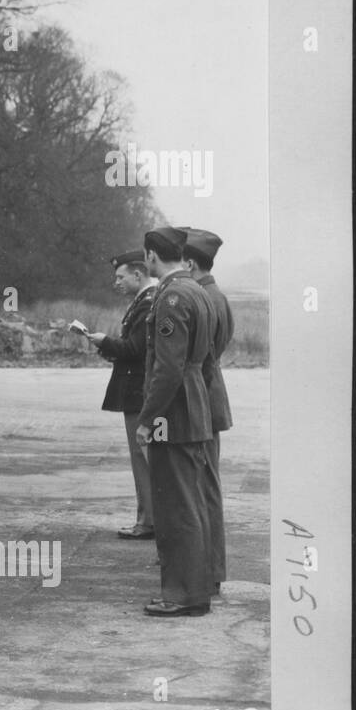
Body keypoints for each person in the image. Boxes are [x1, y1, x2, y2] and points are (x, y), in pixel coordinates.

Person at [136, 227, 218, 617]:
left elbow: (167, 369)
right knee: (191, 503)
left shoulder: (171, 297)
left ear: (152, 255)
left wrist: (147, 418)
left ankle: (183, 595)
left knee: (175, 506)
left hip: (175, 412)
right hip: (194, 405)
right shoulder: (198, 291)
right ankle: (194, 590)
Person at [87, 251, 158, 540]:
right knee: (142, 458)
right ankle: (147, 519)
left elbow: (135, 349)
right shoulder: (142, 302)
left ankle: (148, 522)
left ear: (138, 275)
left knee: (142, 459)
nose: (116, 282)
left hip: (137, 392)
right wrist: (108, 347)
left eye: (120, 276)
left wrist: (106, 342)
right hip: (135, 389)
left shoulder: (147, 302)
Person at [183, 227, 234, 595]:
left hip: (203, 400)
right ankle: (209, 567)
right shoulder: (215, 295)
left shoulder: (206, 298)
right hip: (209, 397)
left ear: (189, 262)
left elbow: (201, 359)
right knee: (205, 485)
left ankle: (210, 569)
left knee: (205, 488)